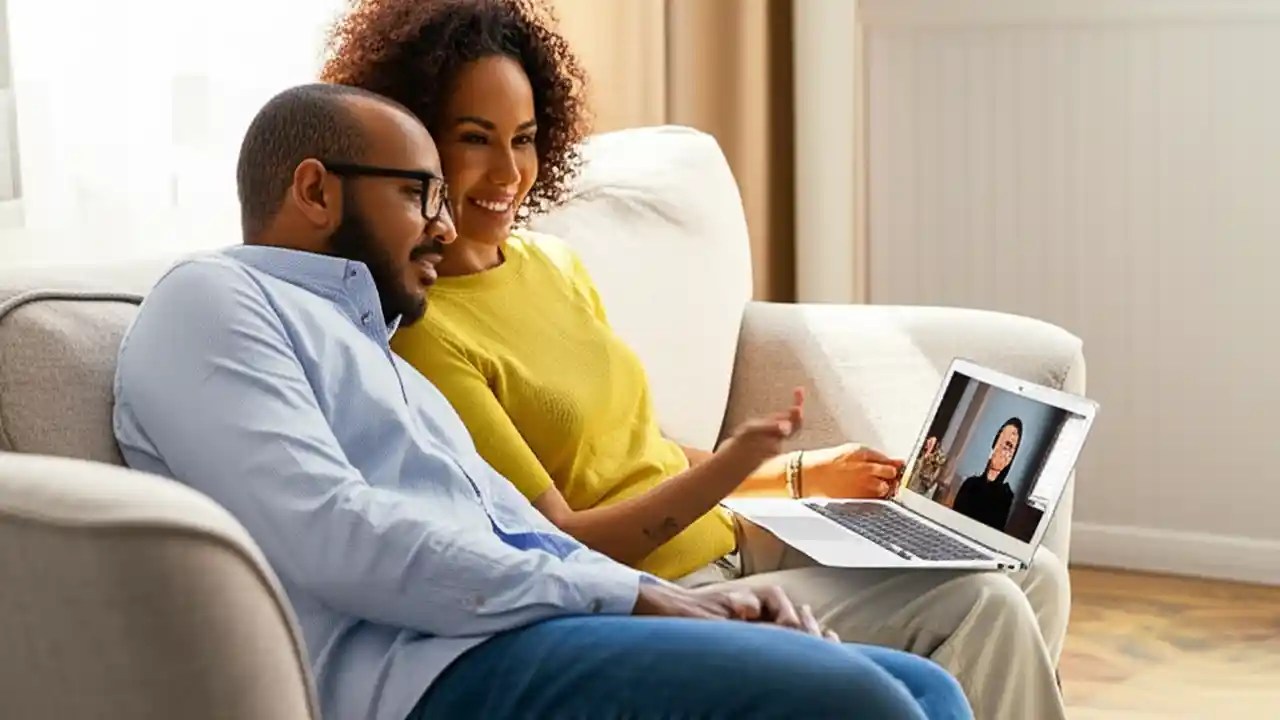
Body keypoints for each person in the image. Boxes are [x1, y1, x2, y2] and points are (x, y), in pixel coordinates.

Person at [112, 83, 971, 720]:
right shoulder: (213, 301)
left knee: (923, 688)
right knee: (862, 701)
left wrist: (694, 603)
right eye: (418, 194)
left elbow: (521, 537)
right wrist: (642, 599)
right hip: (427, 672)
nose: (446, 227)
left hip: (530, 630)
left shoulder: (385, 360)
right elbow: (337, 534)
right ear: (314, 190)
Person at [320, 2, 1070, 718]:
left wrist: (808, 475)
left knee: (1028, 570)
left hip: (737, 541)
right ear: (417, 143)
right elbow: (559, 540)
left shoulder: (551, 265)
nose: (509, 172)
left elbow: (647, 451)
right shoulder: (425, 335)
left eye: (523, 138)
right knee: (984, 607)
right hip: (666, 595)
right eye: (476, 138)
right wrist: (741, 467)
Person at [952, 418, 1022, 531]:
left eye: (1009, 446)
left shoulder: (1005, 498)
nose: (1002, 451)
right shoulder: (970, 484)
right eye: (1000, 442)